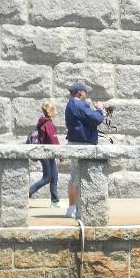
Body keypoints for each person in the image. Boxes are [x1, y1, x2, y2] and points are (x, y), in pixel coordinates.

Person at [64, 82, 105, 218]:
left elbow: (85, 118)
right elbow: (95, 119)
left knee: (74, 175)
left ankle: (71, 207)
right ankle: (78, 208)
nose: (86, 94)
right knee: (80, 176)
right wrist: (100, 110)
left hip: (74, 142)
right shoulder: (80, 104)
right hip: (82, 145)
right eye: (85, 92)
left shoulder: (70, 104)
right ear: (79, 93)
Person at [28, 103, 61, 208]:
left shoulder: (43, 122)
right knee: (48, 177)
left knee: (54, 177)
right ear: (50, 112)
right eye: (54, 109)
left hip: (46, 153)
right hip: (46, 153)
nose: (56, 111)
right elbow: (53, 141)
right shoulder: (49, 124)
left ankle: (55, 201)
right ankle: (27, 192)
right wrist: (61, 154)